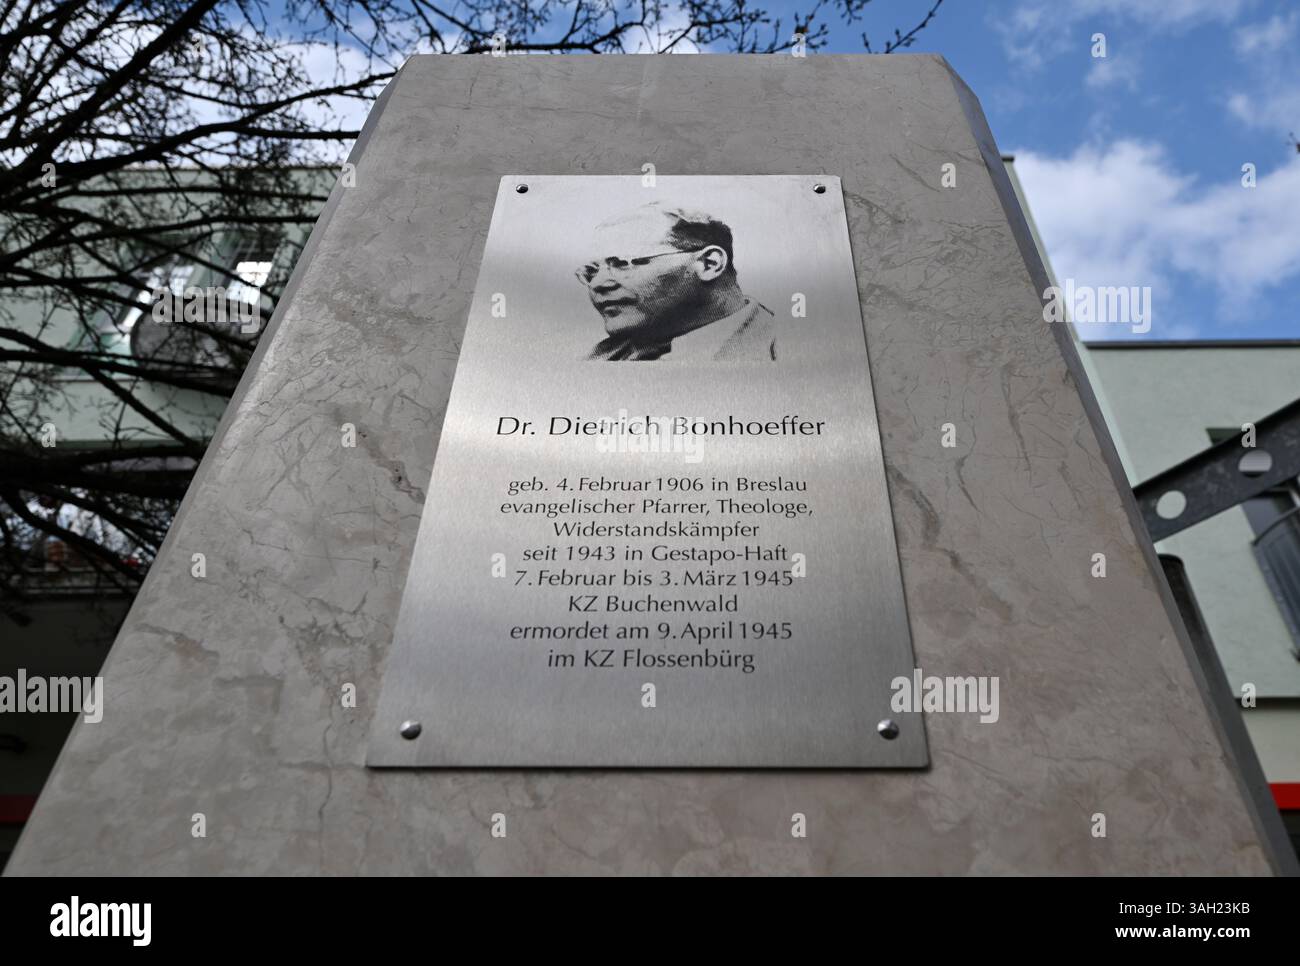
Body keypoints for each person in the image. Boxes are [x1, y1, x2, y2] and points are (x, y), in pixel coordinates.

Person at [578, 202, 776, 361]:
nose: (598, 284)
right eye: (591, 272)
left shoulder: (781, 347)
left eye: (623, 263)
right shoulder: (597, 358)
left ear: (709, 264)